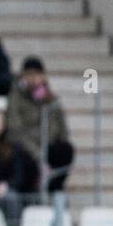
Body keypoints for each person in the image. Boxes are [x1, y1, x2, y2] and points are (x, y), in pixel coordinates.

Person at [6, 57, 74, 193]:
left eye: (36, 74)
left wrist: (44, 99)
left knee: (65, 150)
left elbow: (61, 126)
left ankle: (54, 190)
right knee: (24, 160)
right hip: (28, 147)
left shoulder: (50, 98)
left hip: (48, 144)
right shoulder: (16, 97)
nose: (33, 78)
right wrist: (37, 154)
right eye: (29, 74)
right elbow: (15, 130)